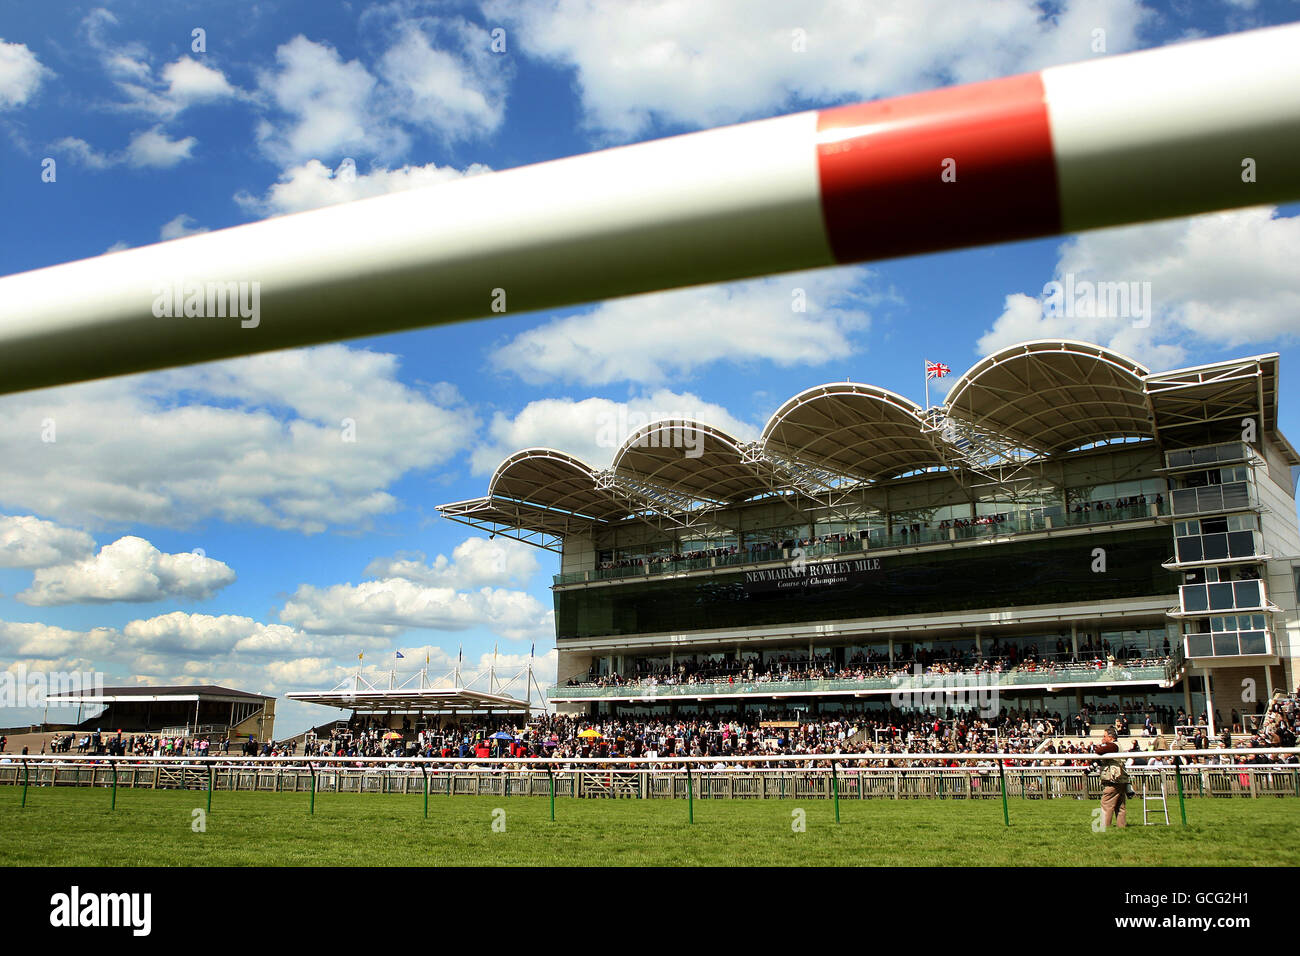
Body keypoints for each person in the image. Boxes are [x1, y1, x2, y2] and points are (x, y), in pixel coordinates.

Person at [1096, 726, 1128, 829]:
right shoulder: (1118, 746)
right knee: (1120, 806)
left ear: (1110, 737)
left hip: (1113, 780)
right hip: (1121, 779)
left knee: (1106, 804)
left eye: (1104, 736)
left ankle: (1104, 828)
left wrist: (1100, 745)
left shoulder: (1113, 746)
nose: (1103, 738)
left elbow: (1099, 751)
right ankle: (1121, 827)